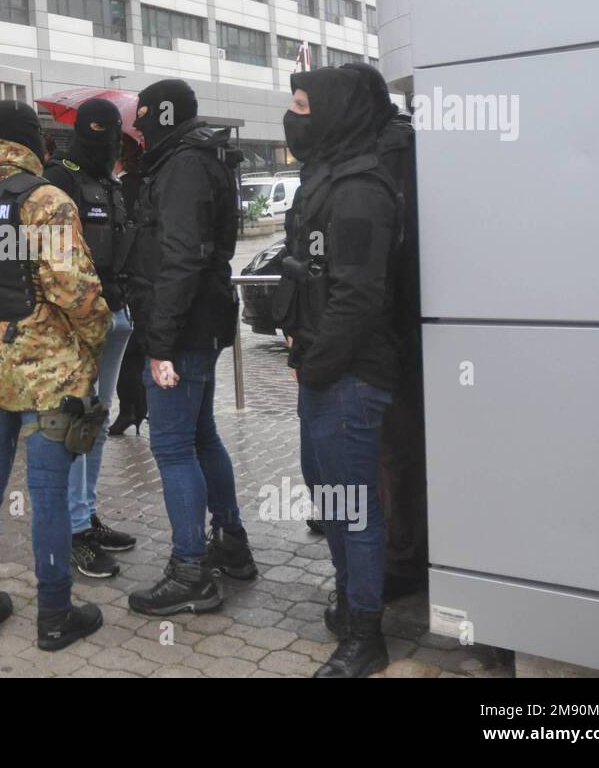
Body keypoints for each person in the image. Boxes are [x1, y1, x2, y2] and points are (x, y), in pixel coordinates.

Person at [0, 100, 112, 651]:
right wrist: (94, 335)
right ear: (31, 141)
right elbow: (75, 290)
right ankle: (55, 616)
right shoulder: (45, 200)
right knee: (48, 493)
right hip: (49, 377)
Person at [276, 67, 401, 678]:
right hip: (324, 369)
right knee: (331, 499)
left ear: (335, 113)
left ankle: (365, 635)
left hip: (350, 375)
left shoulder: (359, 189)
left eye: (302, 105)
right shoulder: (324, 177)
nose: (293, 116)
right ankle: (352, 601)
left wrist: (316, 364)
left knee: (353, 508)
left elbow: (359, 297)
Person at [123, 79, 256, 617]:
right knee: (202, 436)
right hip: (202, 323)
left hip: (181, 330)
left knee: (174, 447)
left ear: (160, 115)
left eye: (142, 118)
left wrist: (160, 344)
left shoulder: (181, 165)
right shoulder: (201, 157)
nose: (135, 128)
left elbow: (179, 259)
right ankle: (231, 545)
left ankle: (191, 571)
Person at [340, 62, 428, 603]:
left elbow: (383, 258)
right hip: (400, 325)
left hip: (392, 330)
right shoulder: (394, 144)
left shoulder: (387, 153)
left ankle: (404, 556)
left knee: (396, 448)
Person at [43, 99, 137, 579]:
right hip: (77, 327)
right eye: (104, 132)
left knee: (97, 421)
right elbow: (54, 266)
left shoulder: (108, 180)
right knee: (74, 424)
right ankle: (73, 531)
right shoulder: (59, 179)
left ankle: (86, 515)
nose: (112, 141)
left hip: (116, 318)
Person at [109, 134, 148, 436]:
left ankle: (129, 410)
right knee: (140, 348)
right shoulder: (147, 184)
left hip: (126, 278)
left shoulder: (119, 189)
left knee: (127, 351)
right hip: (146, 276)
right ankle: (140, 408)